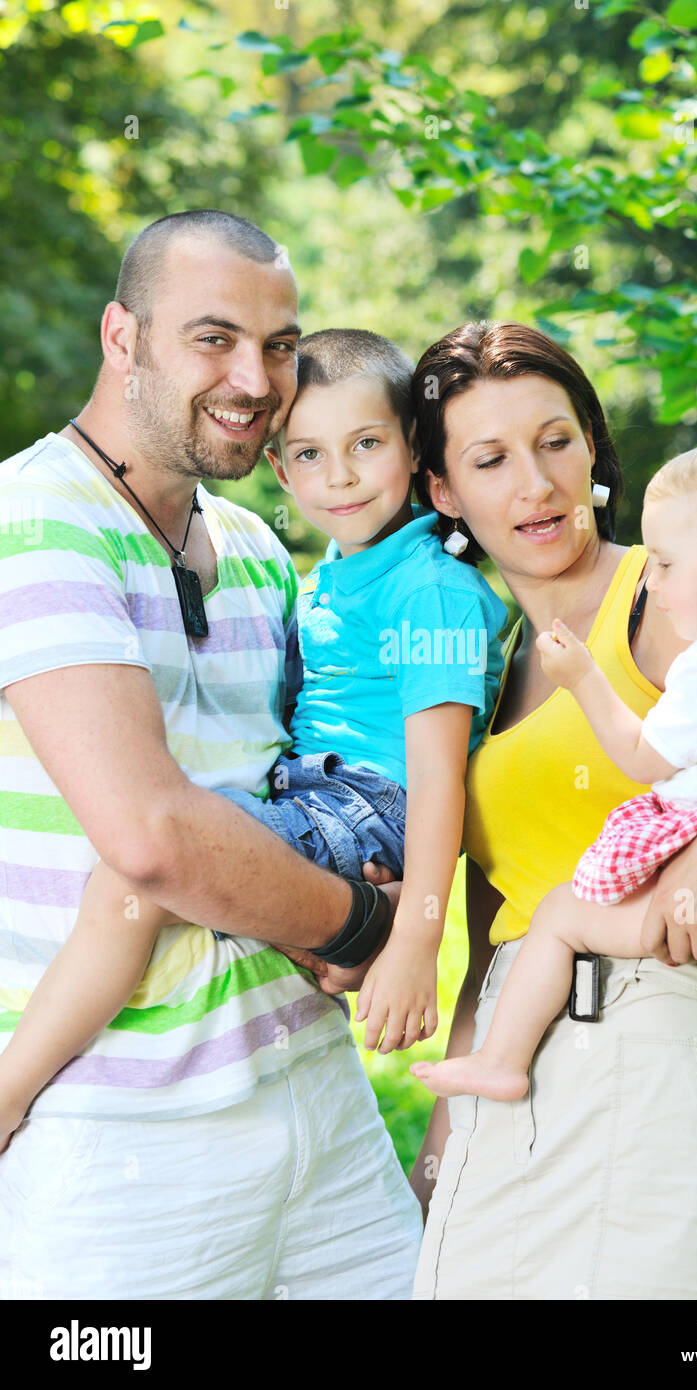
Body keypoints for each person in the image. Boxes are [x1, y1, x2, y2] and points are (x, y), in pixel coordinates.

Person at [0, 211, 422, 1300]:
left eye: (280, 346)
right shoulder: (34, 521)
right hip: (125, 1138)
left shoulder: (256, 550)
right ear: (122, 336)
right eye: (214, 338)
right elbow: (152, 839)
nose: (255, 378)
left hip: (320, 1101)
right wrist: (362, 924)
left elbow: (319, 780)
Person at [406, 320, 697, 1301]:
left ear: (592, 444)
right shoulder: (467, 654)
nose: (535, 482)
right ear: (443, 490)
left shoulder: (683, 597)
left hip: (669, 1040)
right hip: (515, 1060)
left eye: (556, 440)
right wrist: (454, 1115)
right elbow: (504, 915)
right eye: (489, 458)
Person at [0, 328, 507, 1139]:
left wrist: (415, 932)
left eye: (366, 445)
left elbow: (442, 774)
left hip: (375, 803)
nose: (337, 476)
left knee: (138, 880)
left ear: (415, 450)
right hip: (325, 796)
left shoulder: (433, 593)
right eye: (307, 455)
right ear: (279, 468)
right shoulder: (330, 578)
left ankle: (10, 1088)